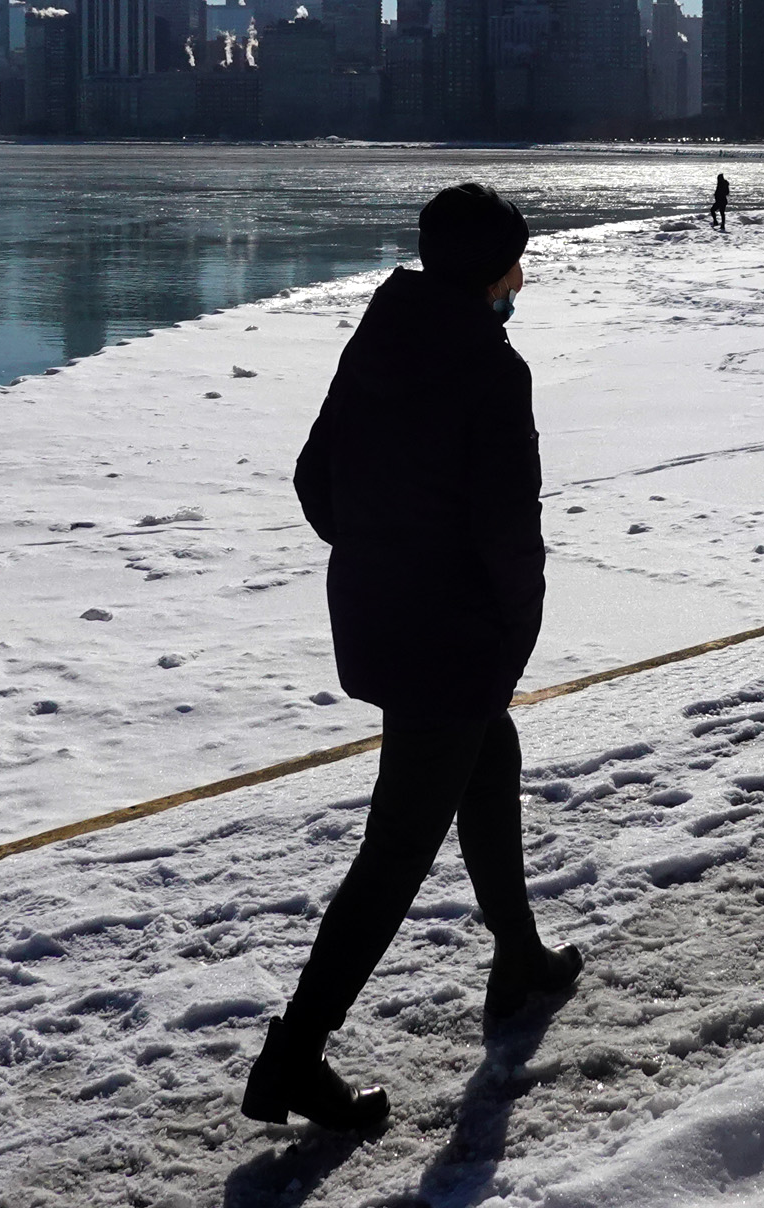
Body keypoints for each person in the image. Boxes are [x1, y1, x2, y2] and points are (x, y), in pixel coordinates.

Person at [241, 181, 583, 1137]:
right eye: (516, 262)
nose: (523, 279)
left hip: (391, 620)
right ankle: (293, 1059)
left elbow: (317, 479)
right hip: (455, 639)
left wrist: (382, 553)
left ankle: (518, 953)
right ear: (490, 270)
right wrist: (512, 626)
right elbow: (508, 533)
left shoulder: (382, 335)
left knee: (491, 762)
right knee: (395, 851)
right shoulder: (486, 365)